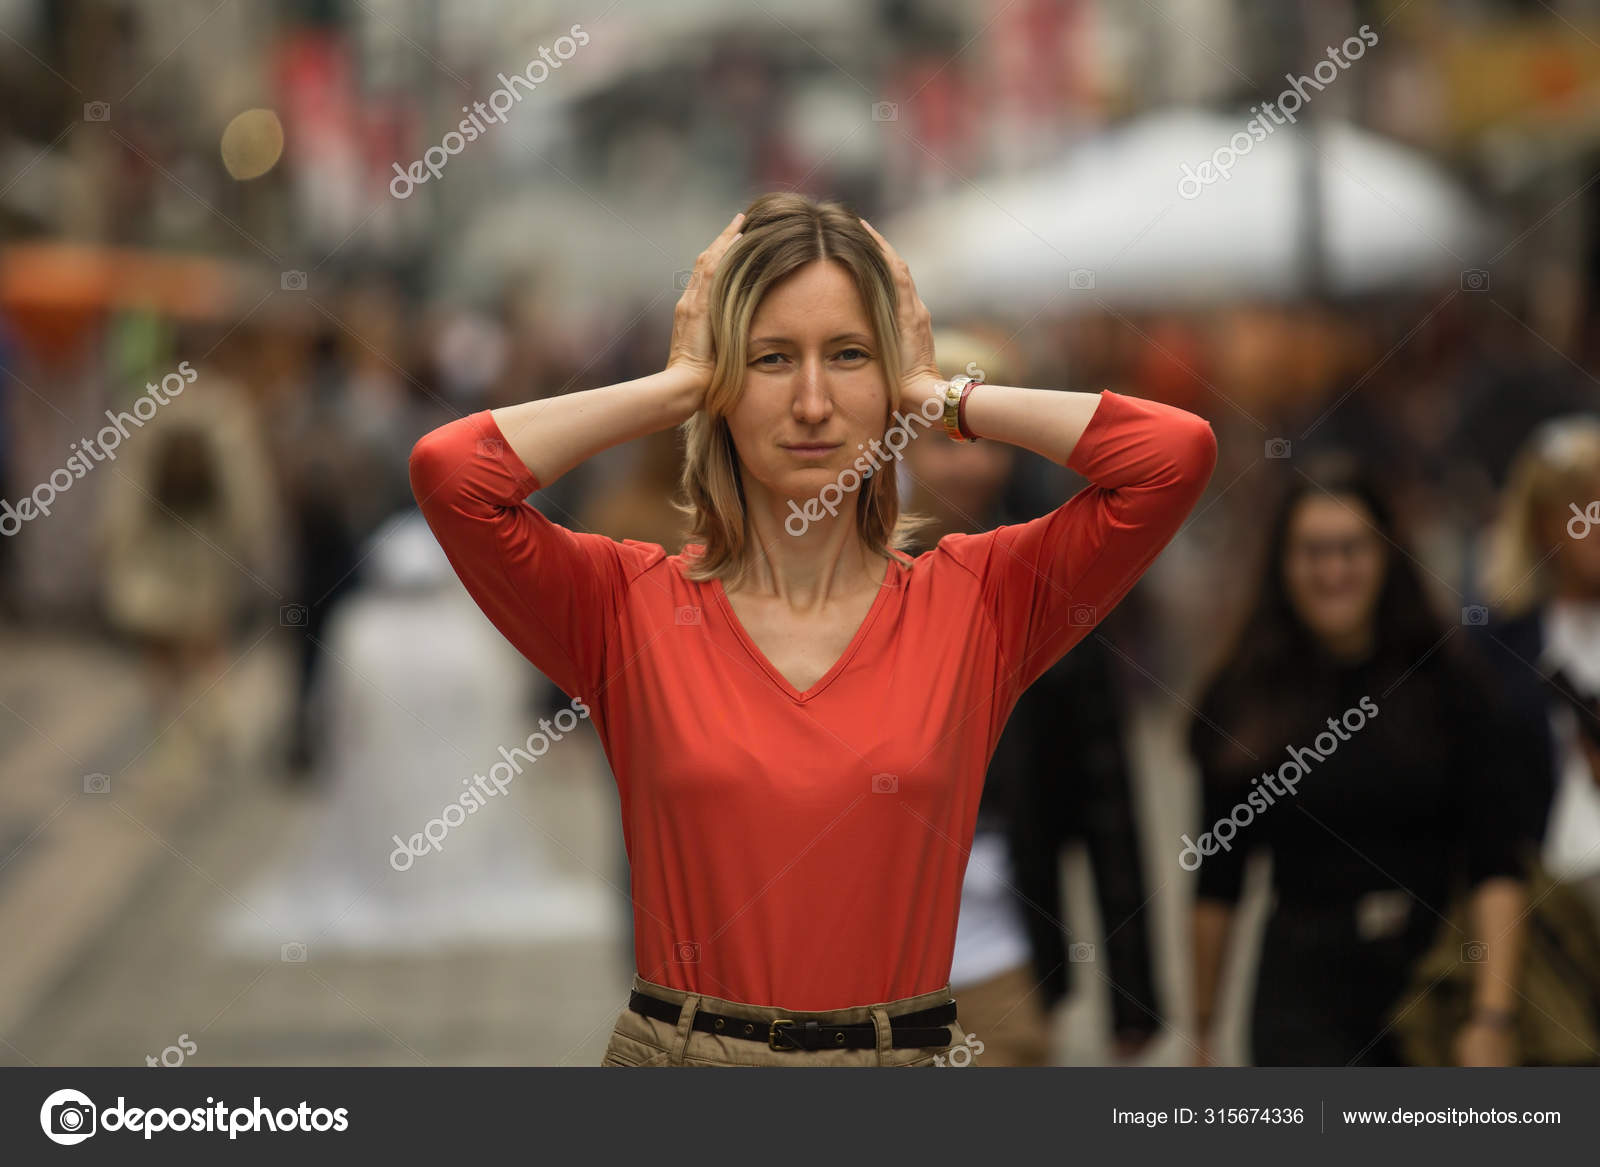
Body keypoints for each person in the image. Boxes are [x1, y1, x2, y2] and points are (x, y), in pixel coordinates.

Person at [409, 192, 1216, 1067]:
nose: (811, 401)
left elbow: (1172, 458)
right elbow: (452, 474)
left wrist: (935, 394)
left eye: (848, 355)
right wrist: (676, 386)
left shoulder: (980, 599)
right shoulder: (622, 606)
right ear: (722, 382)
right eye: (768, 359)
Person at [1188, 459, 1538, 1067]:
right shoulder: (1245, 699)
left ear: (1386, 559)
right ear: (1283, 566)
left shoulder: (1450, 687)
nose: (1333, 571)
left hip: (1430, 981)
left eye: (1352, 549)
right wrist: (1200, 1035)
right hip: (1298, 994)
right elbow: (1218, 883)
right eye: (1312, 552)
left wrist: (1493, 1017)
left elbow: (1497, 865)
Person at [904, 332, 1162, 1066]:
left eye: (986, 439)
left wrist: (1134, 993)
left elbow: (1108, 797)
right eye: (941, 441)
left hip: (1006, 941)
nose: (968, 461)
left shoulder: (1051, 580)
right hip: (867, 950)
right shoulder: (853, 578)